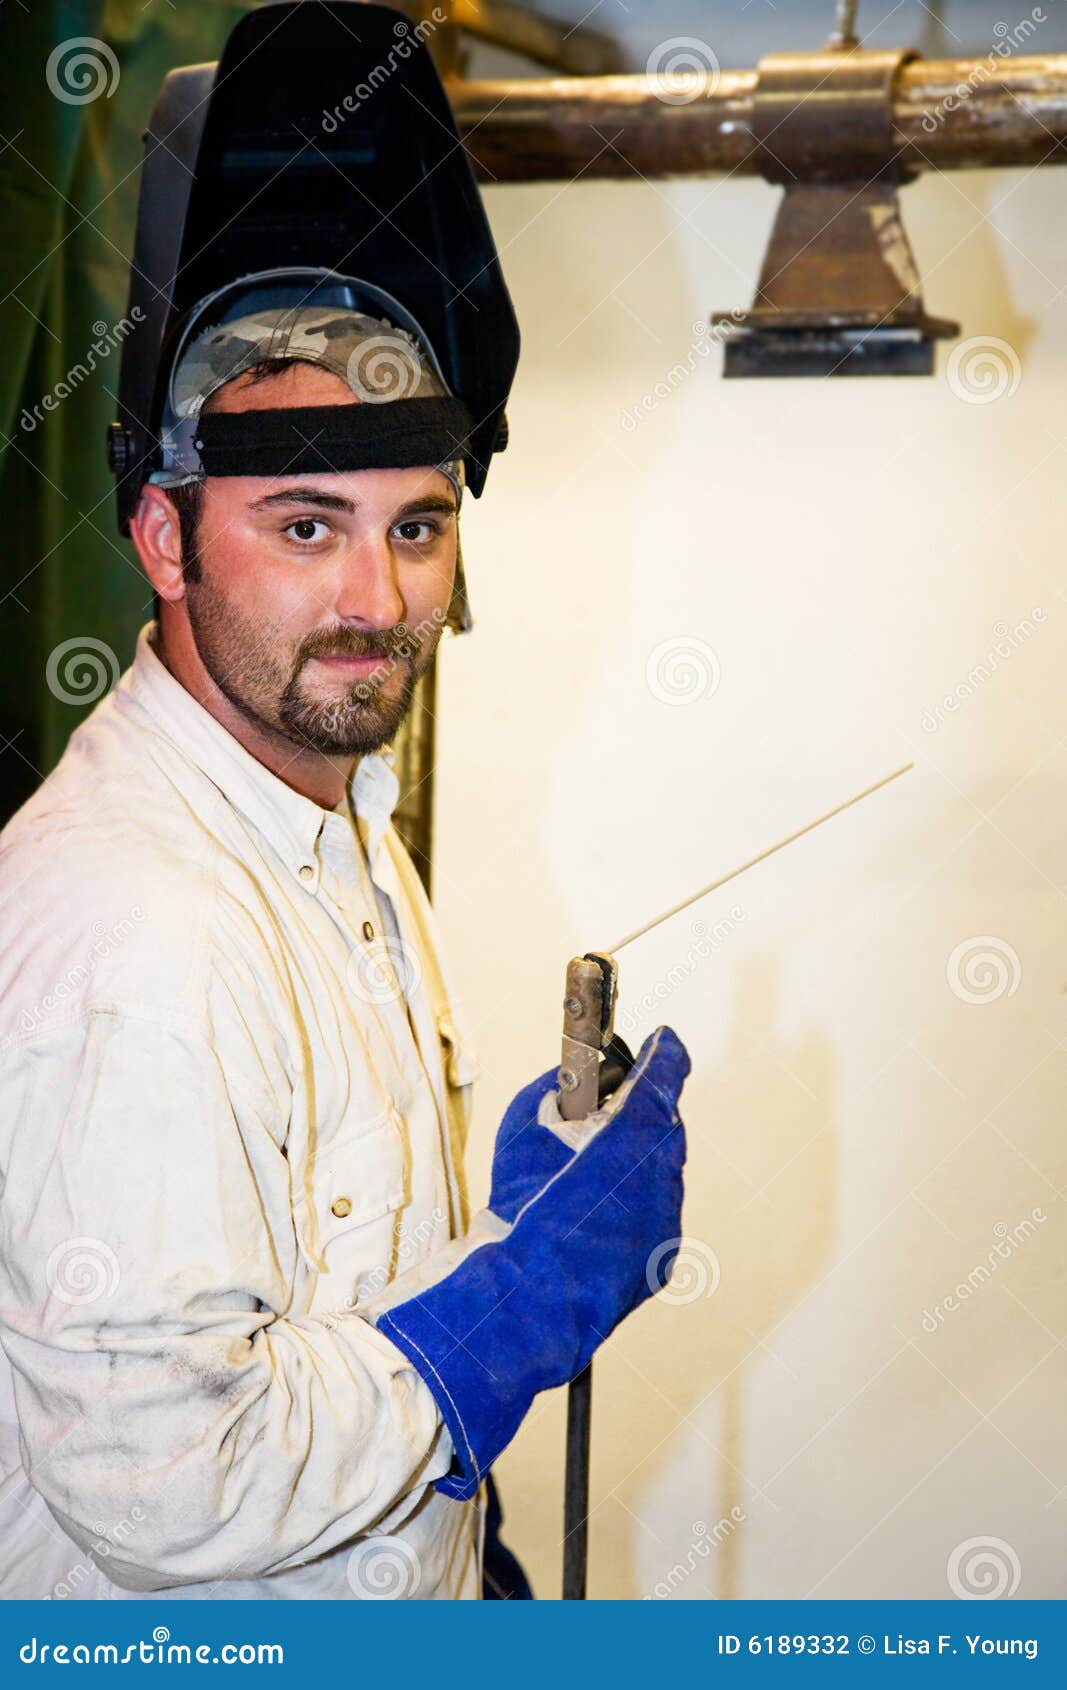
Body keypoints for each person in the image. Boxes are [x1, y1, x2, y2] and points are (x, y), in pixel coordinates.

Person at [0, 299, 692, 1600]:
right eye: (307, 525)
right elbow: (173, 1477)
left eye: (417, 528)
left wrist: (456, 1558)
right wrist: (521, 1299)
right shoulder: (138, 918)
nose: (377, 601)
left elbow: (332, 1296)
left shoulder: (333, 822)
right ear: (165, 537)